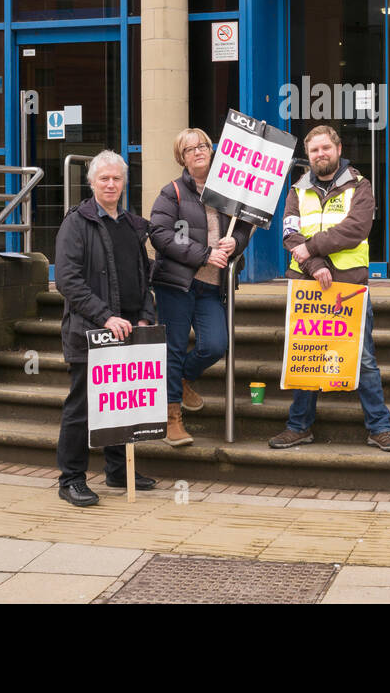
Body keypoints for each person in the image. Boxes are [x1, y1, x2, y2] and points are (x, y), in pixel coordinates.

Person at [269, 125, 390, 453]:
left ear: (338, 149)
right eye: (314, 150)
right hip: (308, 286)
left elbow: (355, 229)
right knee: (306, 357)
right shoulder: (297, 189)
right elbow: (290, 234)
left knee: (364, 358)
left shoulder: (360, 185)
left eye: (325, 148)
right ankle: (299, 427)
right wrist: (315, 266)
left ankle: (379, 428)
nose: (320, 155)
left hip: (350, 286)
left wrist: (312, 249)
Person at [54, 149, 158, 506]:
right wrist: (105, 317)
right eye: (104, 179)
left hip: (128, 331)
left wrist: (144, 315)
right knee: (82, 408)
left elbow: (144, 277)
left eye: (116, 178)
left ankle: (118, 471)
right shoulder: (77, 222)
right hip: (90, 332)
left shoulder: (131, 225)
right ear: (92, 183)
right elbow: (68, 280)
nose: (110, 184)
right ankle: (71, 479)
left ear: (124, 182)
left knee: (121, 406)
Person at [148, 127, 253, 446]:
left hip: (211, 288)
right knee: (174, 348)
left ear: (211, 149)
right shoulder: (173, 193)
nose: (198, 151)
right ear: (181, 156)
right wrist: (205, 254)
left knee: (215, 345)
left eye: (203, 145)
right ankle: (171, 418)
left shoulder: (230, 191)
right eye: (189, 148)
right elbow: (161, 235)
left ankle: (180, 380)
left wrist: (235, 242)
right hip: (176, 286)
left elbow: (245, 228)